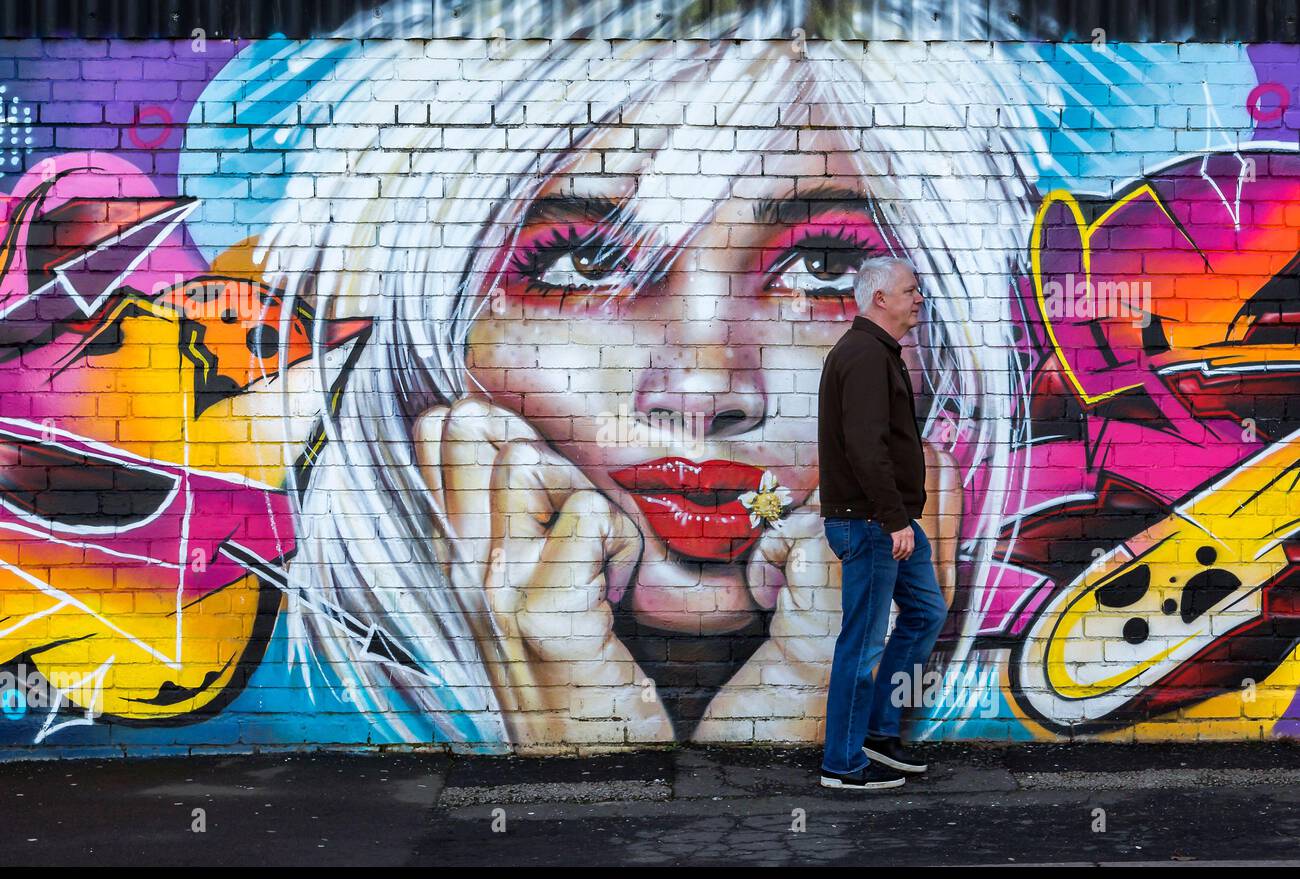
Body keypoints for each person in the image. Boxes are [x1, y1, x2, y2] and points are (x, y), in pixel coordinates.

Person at [180, 0, 1047, 750]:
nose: (705, 392)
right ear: (429, 342)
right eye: (584, 265)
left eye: (822, 268)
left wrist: (814, 703)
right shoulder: (228, 679)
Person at [817, 256, 950, 789]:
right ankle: (842, 764)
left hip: (887, 521)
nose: (918, 298)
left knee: (925, 614)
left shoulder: (877, 352)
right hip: (873, 523)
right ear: (880, 299)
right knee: (863, 641)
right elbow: (865, 447)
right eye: (910, 290)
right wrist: (893, 519)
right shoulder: (866, 356)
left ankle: (877, 732)